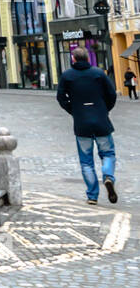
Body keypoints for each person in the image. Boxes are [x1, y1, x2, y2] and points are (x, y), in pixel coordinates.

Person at [56, 45, 118, 206]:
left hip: (82, 123)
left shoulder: (67, 76)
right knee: (108, 154)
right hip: (101, 121)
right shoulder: (98, 73)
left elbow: (61, 98)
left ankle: (92, 195)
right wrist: (104, 110)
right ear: (88, 58)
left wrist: (74, 111)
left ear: (73, 59)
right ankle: (108, 176)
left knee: (86, 162)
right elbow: (111, 94)